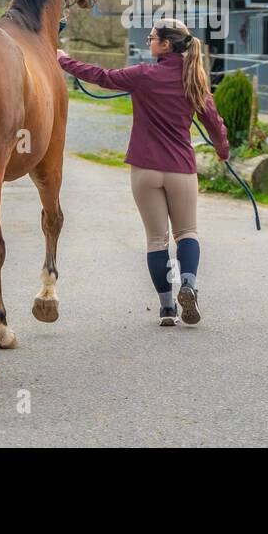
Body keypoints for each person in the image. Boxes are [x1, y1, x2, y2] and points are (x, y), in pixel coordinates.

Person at [57, 18, 230, 326]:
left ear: (166, 45)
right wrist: (223, 151)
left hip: (145, 169)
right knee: (186, 233)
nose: (148, 42)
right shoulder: (195, 81)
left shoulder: (143, 75)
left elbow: (102, 76)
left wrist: (63, 60)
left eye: (152, 38)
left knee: (156, 239)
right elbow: (214, 124)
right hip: (181, 169)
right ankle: (188, 283)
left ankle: (166, 308)